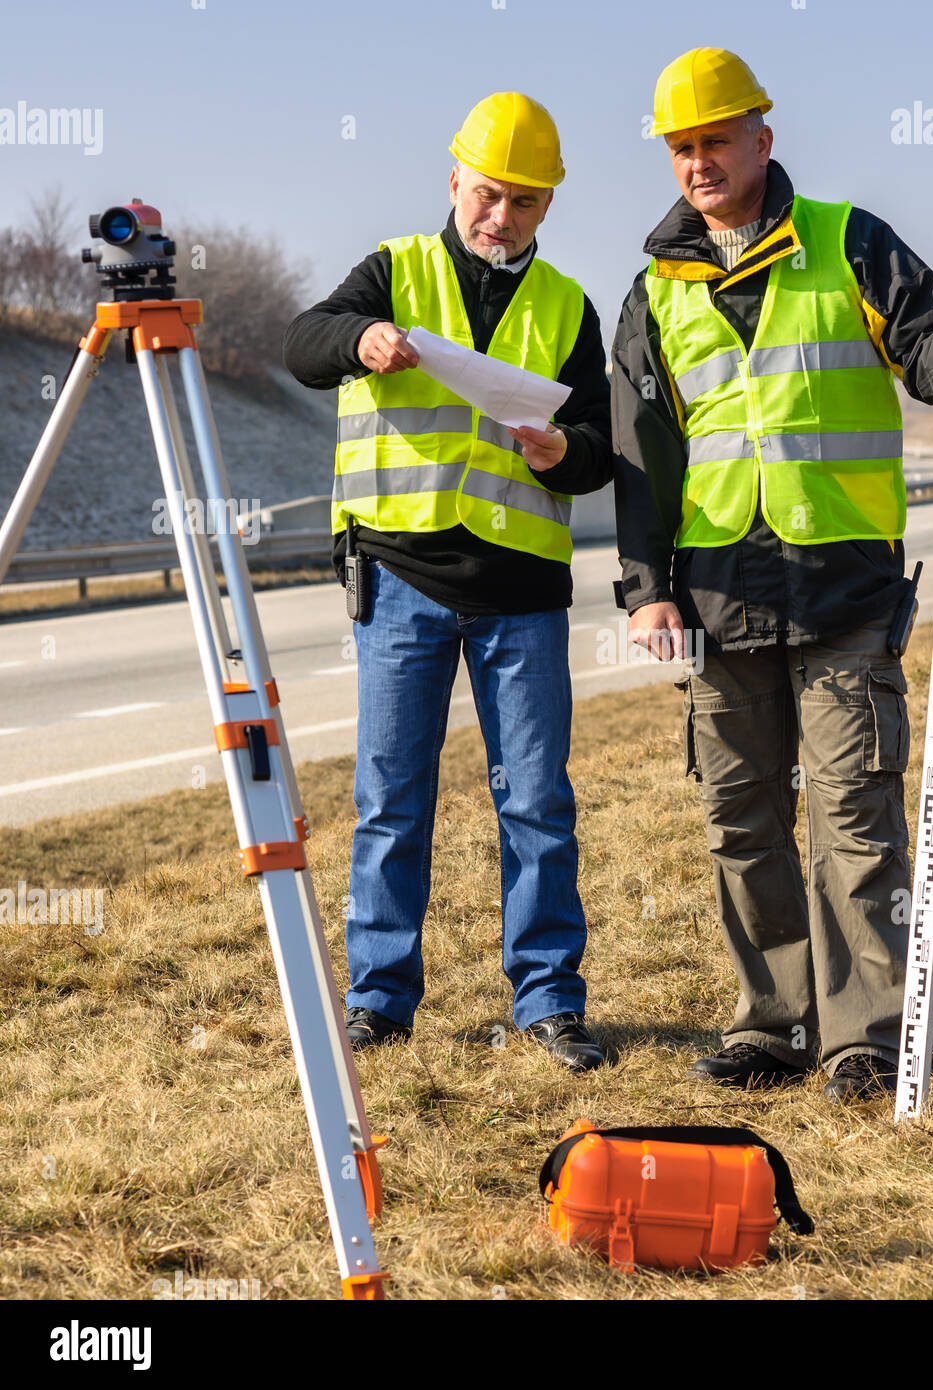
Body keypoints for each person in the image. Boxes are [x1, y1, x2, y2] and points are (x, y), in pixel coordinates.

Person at [611, 48, 933, 1101]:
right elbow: (640, 455)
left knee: (853, 823)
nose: (699, 162)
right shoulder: (652, 291)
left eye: (715, 140)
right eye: (681, 146)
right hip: (716, 598)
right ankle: (774, 1022)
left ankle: (864, 1039)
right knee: (741, 823)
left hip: (842, 590)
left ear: (760, 140)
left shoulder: (849, 241)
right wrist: (642, 585)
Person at [283, 92, 613, 1070]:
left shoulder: (567, 307)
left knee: (537, 803)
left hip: (521, 595)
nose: (498, 216)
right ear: (454, 182)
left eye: (521, 201)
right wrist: (359, 341)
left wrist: (564, 451)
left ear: (546, 207)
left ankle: (549, 1000)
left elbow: (602, 448)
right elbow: (304, 342)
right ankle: (378, 999)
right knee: (391, 797)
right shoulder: (394, 271)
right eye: (486, 194)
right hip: (402, 577)